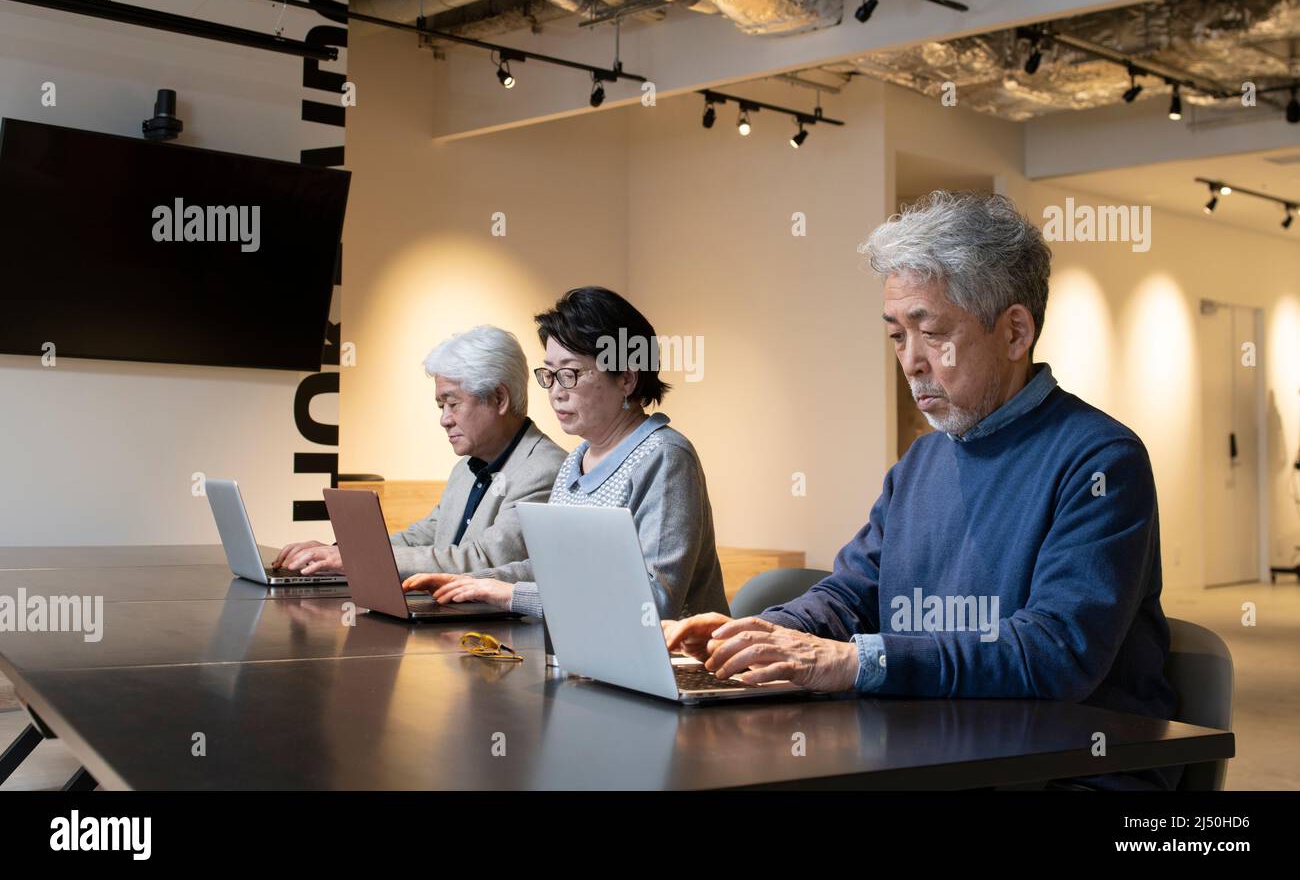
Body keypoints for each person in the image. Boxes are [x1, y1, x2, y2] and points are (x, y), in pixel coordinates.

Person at [664, 191, 1181, 790]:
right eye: (896, 337)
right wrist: (753, 635)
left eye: (930, 332)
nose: (910, 362)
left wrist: (860, 662)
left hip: (1071, 769)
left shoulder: (1101, 460)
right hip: (936, 751)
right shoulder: (922, 460)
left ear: (1015, 331)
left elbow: (1055, 653)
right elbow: (851, 596)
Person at [404, 287, 729, 620]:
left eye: (570, 374)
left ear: (627, 379)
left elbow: (653, 603)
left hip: (674, 664)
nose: (556, 393)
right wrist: (470, 582)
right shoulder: (577, 459)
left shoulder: (665, 457)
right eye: (550, 375)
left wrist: (513, 595)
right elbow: (552, 568)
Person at [276, 325, 565, 578]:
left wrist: (358, 560)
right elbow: (425, 535)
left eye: (453, 403)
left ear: (499, 398)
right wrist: (341, 551)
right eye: (441, 407)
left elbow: (484, 560)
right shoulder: (467, 467)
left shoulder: (545, 471)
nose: (444, 419)